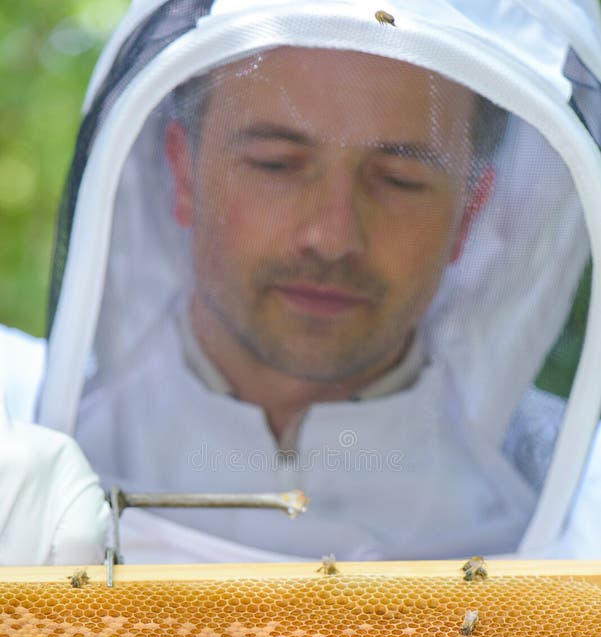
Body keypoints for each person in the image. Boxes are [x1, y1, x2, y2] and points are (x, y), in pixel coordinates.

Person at [4, 0, 601, 564]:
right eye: (276, 164)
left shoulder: (570, 511)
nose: (333, 236)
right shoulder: (23, 440)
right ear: (183, 172)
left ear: (469, 213)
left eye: (398, 179)